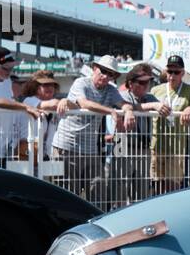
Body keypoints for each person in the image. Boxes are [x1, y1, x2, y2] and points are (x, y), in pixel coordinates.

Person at [52, 54, 134, 199]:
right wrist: (111, 111)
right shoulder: (81, 82)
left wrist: (128, 111)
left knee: (98, 193)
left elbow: (124, 104)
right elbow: (84, 103)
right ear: (94, 68)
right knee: (67, 196)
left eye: (110, 74)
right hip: (66, 147)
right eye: (103, 71)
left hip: (90, 149)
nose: (106, 76)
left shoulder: (111, 90)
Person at [149, 56, 190, 193]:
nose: (172, 75)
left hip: (177, 149)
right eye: (170, 71)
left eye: (176, 72)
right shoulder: (156, 90)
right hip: (156, 146)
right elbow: (142, 106)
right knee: (157, 188)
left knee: (173, 189)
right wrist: (154, 105)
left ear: (182, 73)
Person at [113, 64, 171, 204]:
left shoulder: (150, 97)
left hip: (143, 148)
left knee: (142, 192)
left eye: (148, 82)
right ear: (131, 83)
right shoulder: (122, 95)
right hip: (122, 145)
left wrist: (161, 105)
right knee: (120, 190)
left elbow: (165, 109)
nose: (145, 86)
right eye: (141, 82)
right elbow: (128, 106)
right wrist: (154, 105)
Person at [0, 47, 40, 166]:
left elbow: (9, 102)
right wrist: (24, 107)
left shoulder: (7, 81)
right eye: (5, 68)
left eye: (11, 68)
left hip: (6, 145)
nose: (9, 72)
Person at [22, 71, 65, 166]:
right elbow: (54, 104)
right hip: (28, 153)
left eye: (52, 85)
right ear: (36, 87)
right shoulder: (29, 100)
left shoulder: (54, 105)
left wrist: (65, 102)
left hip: (46, 156)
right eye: (45, 85)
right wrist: (64, 101)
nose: (50, 87)